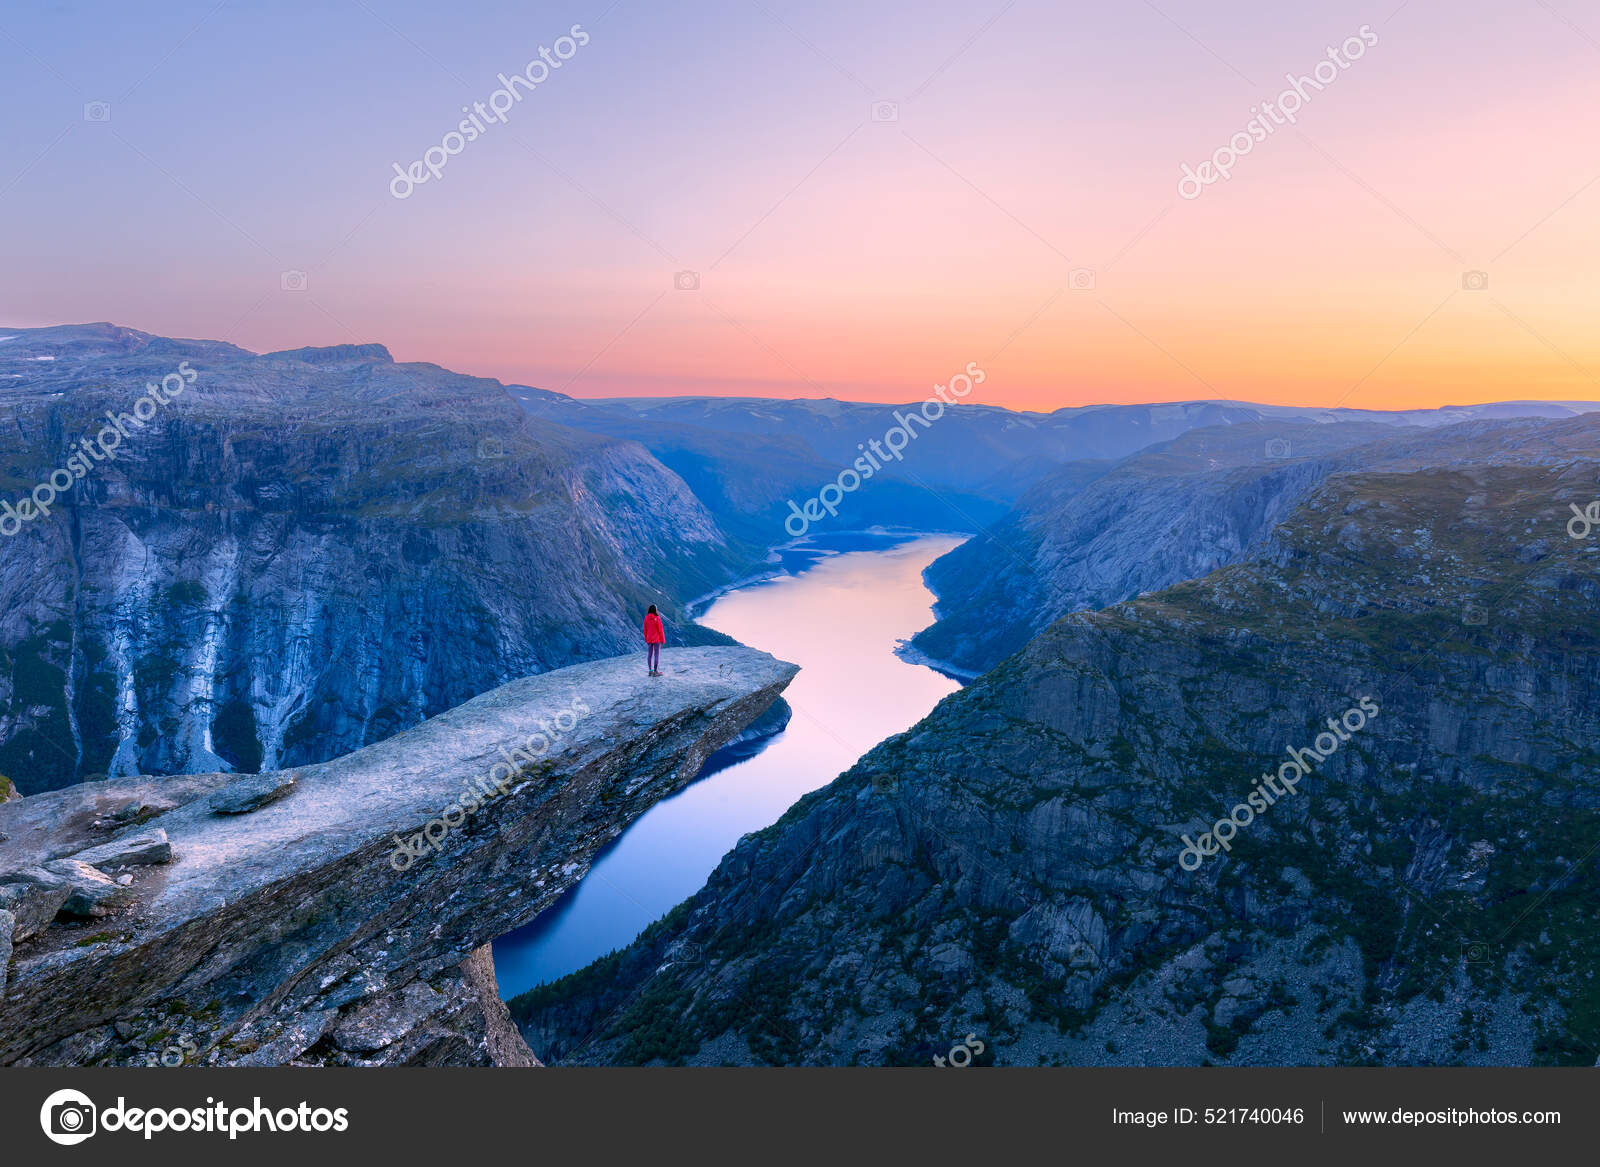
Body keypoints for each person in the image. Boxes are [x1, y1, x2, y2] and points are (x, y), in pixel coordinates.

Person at [643, 604, 665, 676]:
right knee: (656, 655)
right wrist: (662, 639)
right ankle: (656, 671)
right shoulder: (657, 618)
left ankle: (650, 671)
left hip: (649, 639)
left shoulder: (646, 618)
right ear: (655, 610)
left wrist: (646, 638)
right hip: (656, 640)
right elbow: (660, 630)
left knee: (649, 655)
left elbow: (645, 629)